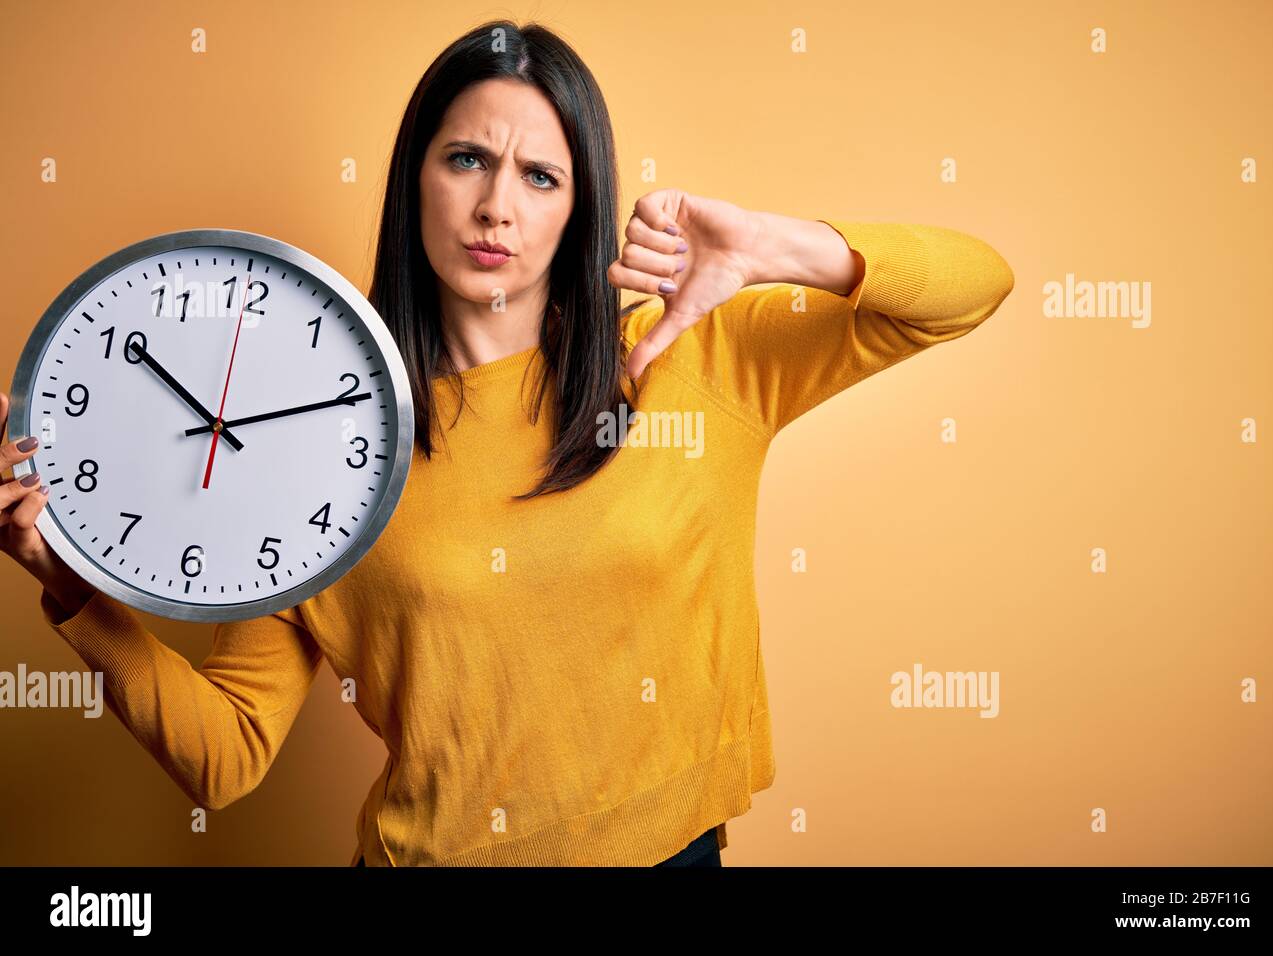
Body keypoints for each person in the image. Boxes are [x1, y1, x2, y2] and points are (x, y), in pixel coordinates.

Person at [0, 19, 1014, 866]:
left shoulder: (689, 353)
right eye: (466, 159)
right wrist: (76, 589)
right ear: (415, 181)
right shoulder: (322, 444)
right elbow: (228, 755)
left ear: (580, 207)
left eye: (540, 175)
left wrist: (774, 244)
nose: (497, 206)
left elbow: (973, 287)